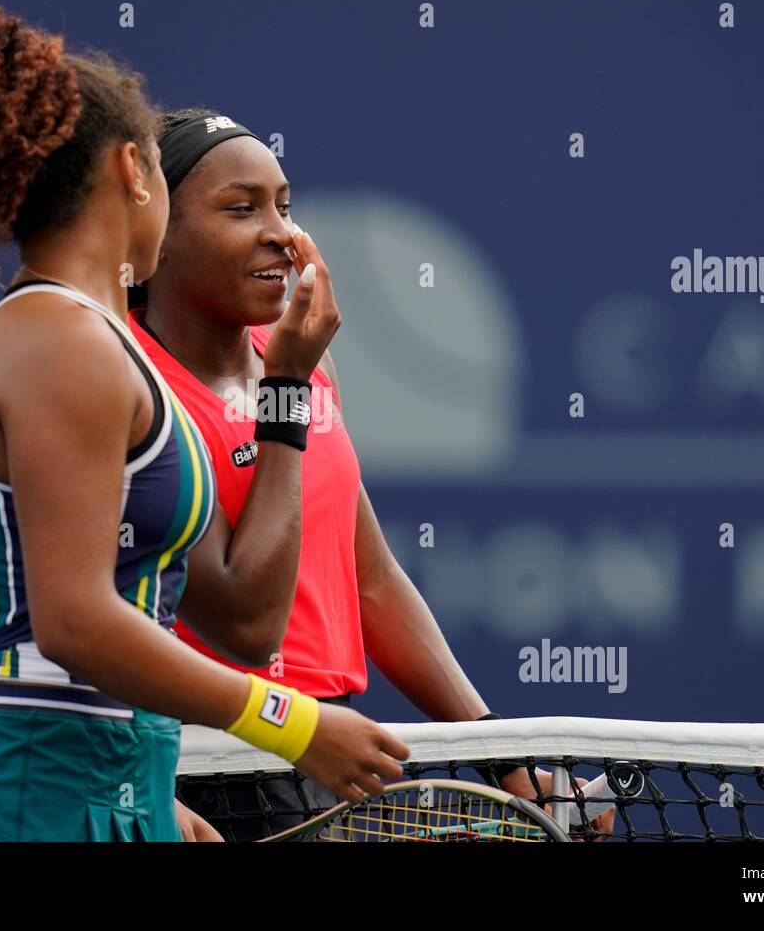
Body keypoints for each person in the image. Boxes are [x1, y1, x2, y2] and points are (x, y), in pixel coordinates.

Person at [0, 9, 407, 842]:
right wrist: (293, 725)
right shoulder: (64, 345)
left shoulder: (90, 338)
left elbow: (124, 612)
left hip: (102, 770)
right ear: (134, 171)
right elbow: (75, 624)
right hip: (31, 785)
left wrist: (152, 787)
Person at [130, 108, 614, 840]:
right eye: (240, 208)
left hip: (322, 758)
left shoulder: (298, 355)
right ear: (157, 237)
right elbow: (243, 631)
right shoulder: (130, 390)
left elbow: (371, 579)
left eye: (285, 207)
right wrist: (285, 391)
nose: (282, 235)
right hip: (200, 770)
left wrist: (505, 759)